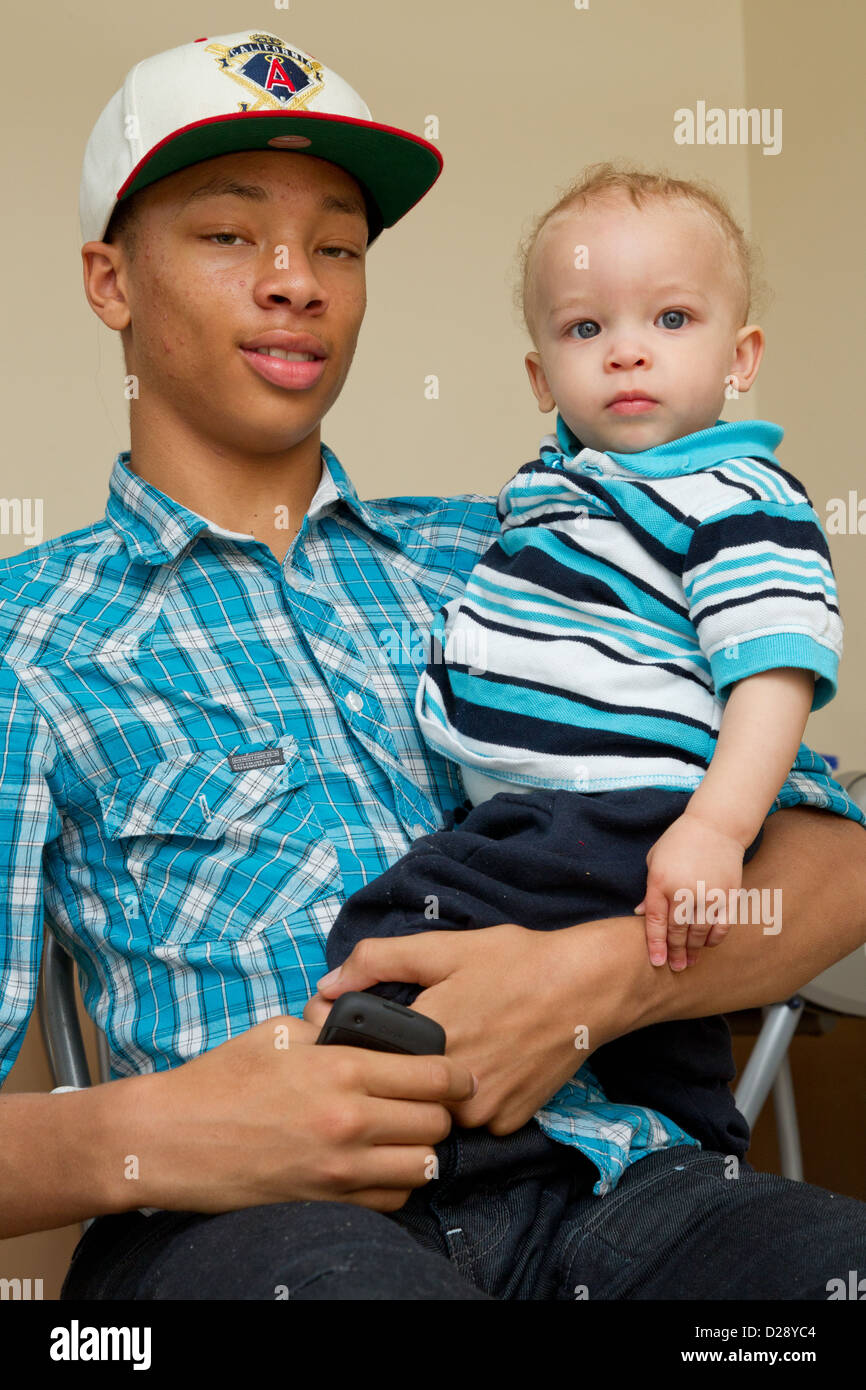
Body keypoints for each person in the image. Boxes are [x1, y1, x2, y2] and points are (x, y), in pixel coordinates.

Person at [0, 28, 864, 1300]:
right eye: (232, 235)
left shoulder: (534, 545)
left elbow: (833, 865)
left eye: (336, 246)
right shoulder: (28, 632)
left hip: (617, 1186)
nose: (295, 281)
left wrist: (591, 980)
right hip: (249, 1233)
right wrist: (158, 1133)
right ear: (109, 281)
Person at [323, 165, 866, 1197]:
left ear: (738, 356)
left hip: (618, 816)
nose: (624, 348)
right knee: (657, 1044)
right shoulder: (543, 492)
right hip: (551, 817)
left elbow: (773, 664)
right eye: (583, 329)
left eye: (670, 316)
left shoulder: (730, 491)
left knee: (401, 924)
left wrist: (712, 825)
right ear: (539, 378)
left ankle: (375, 1093)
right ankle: (686, 1139)